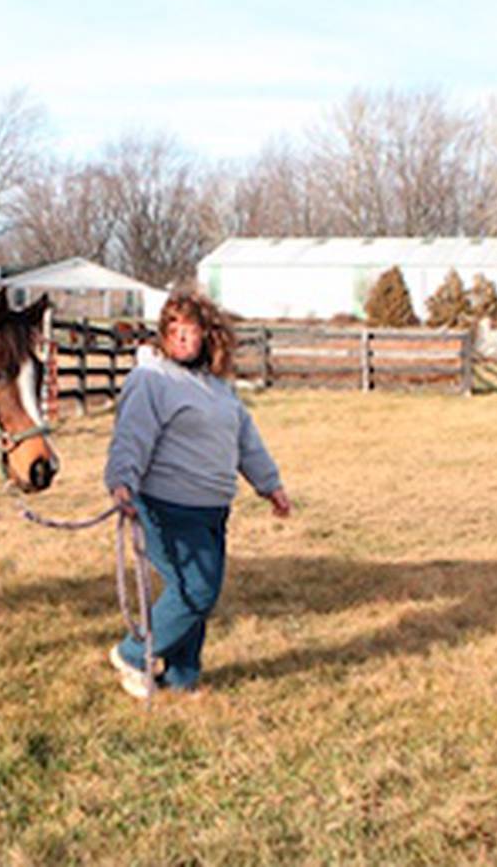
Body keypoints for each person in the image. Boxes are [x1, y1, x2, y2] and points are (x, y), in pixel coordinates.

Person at [103, 292, 292, 700]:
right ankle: (133, 654)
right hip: (167, 506)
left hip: (212, 508)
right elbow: (132, 436)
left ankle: (182, 677)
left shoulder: (220, 390)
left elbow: (246, 442)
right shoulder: (152, 379)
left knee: (193, 593)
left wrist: (270, 485)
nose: (182, 339)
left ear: (207, 335)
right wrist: (122, 481)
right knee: (198, 590)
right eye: (174, 331)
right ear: (164, 335)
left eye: (190, 331)